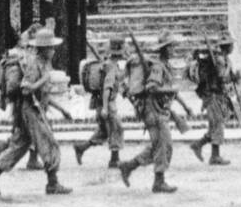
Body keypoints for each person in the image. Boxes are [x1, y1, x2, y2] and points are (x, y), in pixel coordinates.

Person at [0, 28, 71, 196]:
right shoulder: (34, 65)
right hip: (30, 110)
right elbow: (25, 89)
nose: (53, 51)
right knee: (48, 143)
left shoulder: (42, 65)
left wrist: (62, 109)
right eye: (50, 48)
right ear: (43, 49)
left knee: (19, 146)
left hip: (33, 109)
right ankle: (52, 183)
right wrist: (42, 81)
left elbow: (43, 94)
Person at [119, 35, 180, 193]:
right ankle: (158, 182)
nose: (174, 49)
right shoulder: (158, 67)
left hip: (158, 110)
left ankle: (129, 166)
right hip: (154, 111)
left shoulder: (164, 65)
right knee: (164, 145)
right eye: (172, 47)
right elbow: (151, 87)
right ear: (166, 49)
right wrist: (171, 90)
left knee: (158, 146)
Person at [74, 37, 126, 168]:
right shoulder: (111, 66)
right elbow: (107, 88)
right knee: (116, 128)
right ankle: (115, 159)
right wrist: (105, 108)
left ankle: (81, 148)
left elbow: (117, 82)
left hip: (100, 103)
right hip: (107, 103)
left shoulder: (108, 64)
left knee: (104, 131)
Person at [189, 36, 232, 166]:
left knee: (215, 125)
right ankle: (214, 156)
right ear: (228, 46)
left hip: (217, 95)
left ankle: (198, 144)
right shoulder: (220, 60)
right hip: (213, 95)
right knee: (217, 124)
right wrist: (230, 68)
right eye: (231, 45)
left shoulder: (223, 58)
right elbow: (222, 76)